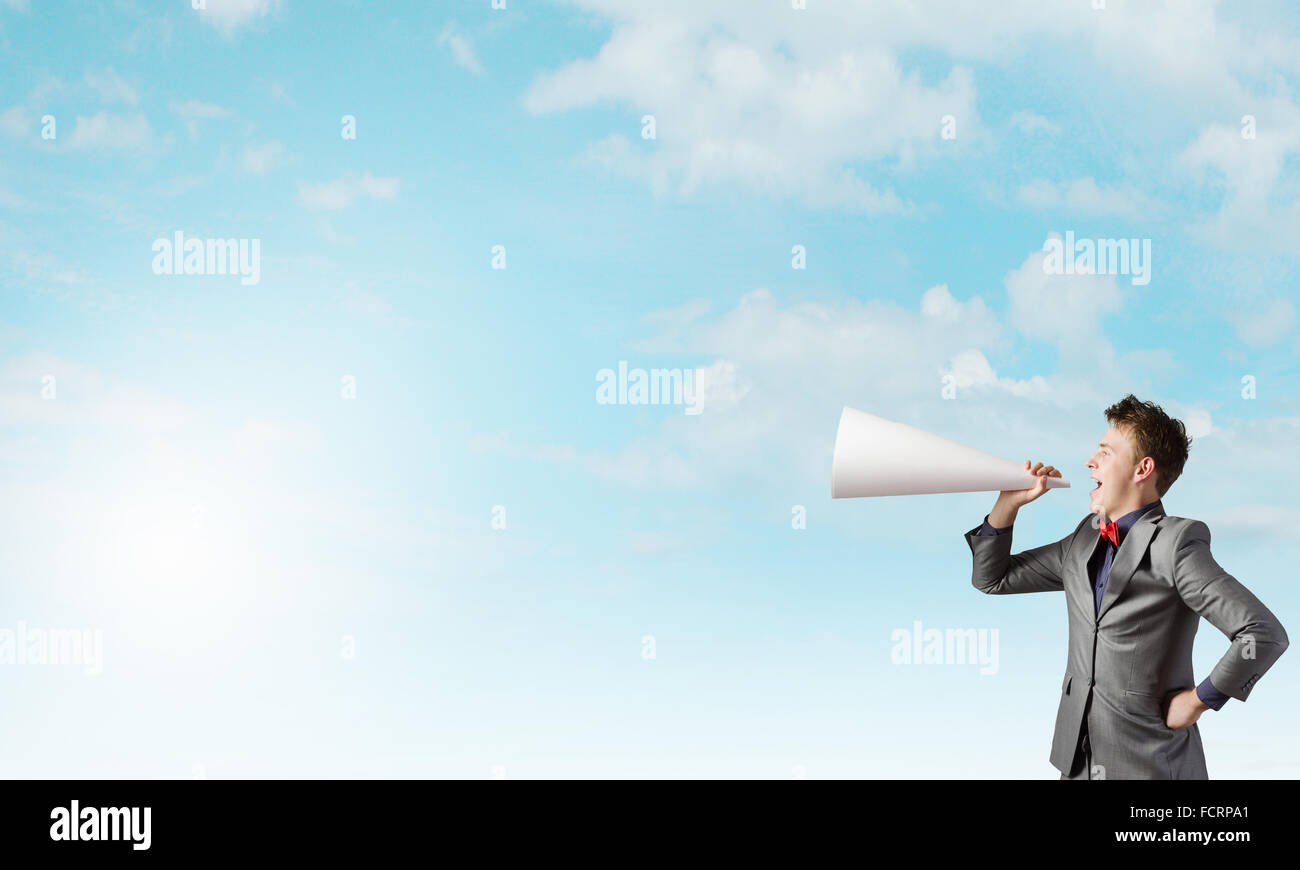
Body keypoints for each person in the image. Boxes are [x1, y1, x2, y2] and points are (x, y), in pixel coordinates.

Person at [964, 394, 1288, 779]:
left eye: (1105, 452)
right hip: (1077, 761)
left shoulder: (1176, 544)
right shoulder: (1083, 539)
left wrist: (1199, 700)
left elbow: (1262, 632)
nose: (1090, 461)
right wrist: (1008, 505)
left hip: (1150, 763)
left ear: (1142, 469)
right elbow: (993, 578)